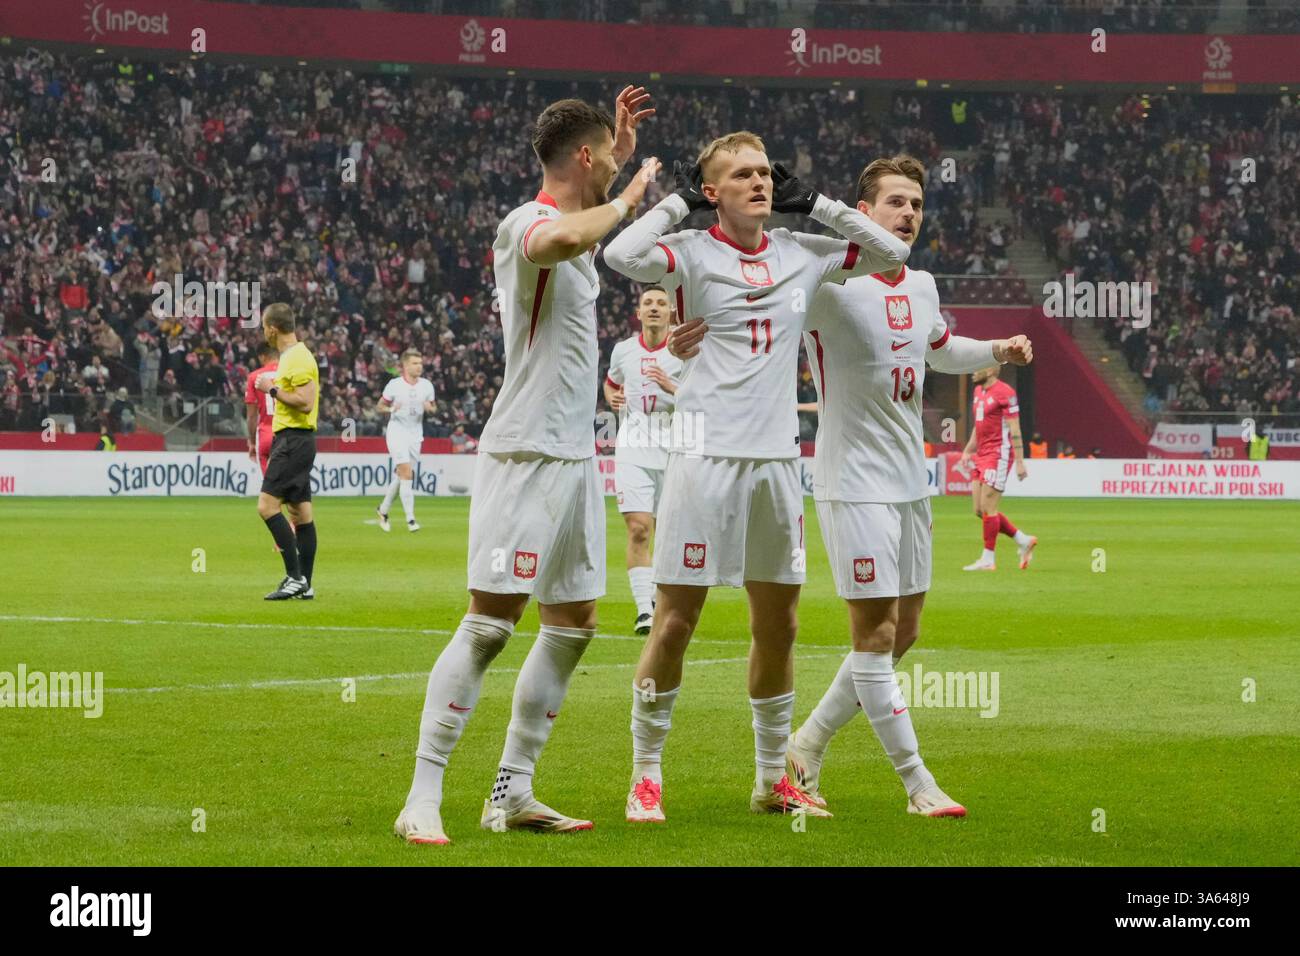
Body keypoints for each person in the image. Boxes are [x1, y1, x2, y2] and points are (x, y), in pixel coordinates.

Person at [603, 130, 909, 823]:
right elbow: (619, 253)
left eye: (767, 173)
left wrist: (821, 203)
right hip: (703, 458)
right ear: (712, 191)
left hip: (776, 462)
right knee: (676, 622)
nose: (760, 183)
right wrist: (675, 201)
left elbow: (894, 253)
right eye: (741, 175)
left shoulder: (802, 253)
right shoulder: (688, 252)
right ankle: (646, 774)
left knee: (781, 627)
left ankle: (773, 777)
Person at [395, 87, 657, 846]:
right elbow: (563, 242)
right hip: (523, 454)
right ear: (583, 156)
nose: (618, 163)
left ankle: (511, 791)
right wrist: (633, 197)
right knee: (488, 626)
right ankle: (422, 794)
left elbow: (583, 223)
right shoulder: (528, 223)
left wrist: (621, 162)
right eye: (606, 154)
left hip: (576, 459)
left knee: (573, 625)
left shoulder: (574, 212)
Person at [775, 155, 1032, 817]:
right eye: (895, 202)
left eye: (916, 203)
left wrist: (996, 349)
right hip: (851, 480)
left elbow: (941, 349)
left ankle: (805, 745)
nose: (909, 214)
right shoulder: (829, 282)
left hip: (907, 481)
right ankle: (918, 784)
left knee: (907, 628)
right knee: (875, 632)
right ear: (864, 212)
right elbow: (780, 272)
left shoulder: (922, 284)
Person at [603, 284, 685, 635]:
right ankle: (644, 611)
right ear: (637, 313)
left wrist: (674, 388)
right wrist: (612, 399)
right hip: (633, 447)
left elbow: (707, 398)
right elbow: (610, 383)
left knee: (668, 534)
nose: (654, 308)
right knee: (639, 529)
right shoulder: (623, 351)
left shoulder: (686, 351)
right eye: (647, 303)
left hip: (678, 448)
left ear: (671, 313)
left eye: (661, 303)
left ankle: (657, 599)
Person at [254, 302, 320, 601]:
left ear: (272, 328)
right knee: (301, 513)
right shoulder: (293, 357)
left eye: (263, 327)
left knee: (267, 507)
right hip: (296, 439)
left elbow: (306, 401)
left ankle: (294, 577)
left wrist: (271, 389)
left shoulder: (297, 358)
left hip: (293, 440)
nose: (263, 332)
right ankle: (305, 583)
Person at [958, 366, 1037, 571]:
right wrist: (968, 450)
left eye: (978, 366)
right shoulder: (978, 392)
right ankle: (1023, 540)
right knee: (979, 510)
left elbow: (1015, 428)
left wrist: (1020, 461)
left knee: (989, 508)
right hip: (981, 454)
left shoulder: (1006, 393)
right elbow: (979, 425)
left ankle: (988, 559)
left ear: (992, 369)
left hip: (998, 454)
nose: (973, 371)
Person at [376, 349, 436, 532]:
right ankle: (411, 520)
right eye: (415, 363)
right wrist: (391, 409)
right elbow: (380, 406)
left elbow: (434, 408)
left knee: (402, 475)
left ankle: (383, 509)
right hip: (397, 432)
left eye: (420, 363)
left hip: (416, 434)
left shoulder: (426, 386)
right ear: (404, 366)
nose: (419, 367)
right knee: (407, 473)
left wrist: (429, 408)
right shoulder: (394, 385)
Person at [244, 343, 279, 476]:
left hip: (266, 434)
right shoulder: (290, 374)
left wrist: (252, 442)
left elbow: (252, 416)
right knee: (291, 489)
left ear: (262, 356)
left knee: (271, 488)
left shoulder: (254, 377)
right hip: (288, 435)